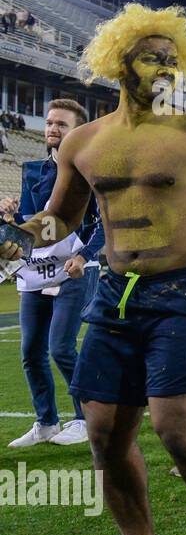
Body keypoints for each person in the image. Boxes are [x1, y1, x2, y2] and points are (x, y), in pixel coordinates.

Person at [0, 4, 186, 535]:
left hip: (185, 291)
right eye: (153, 57)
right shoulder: (84, 141)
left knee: (177, 426)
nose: (166, 68)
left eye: (173, 59)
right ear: (119, 64)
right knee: (102, 430)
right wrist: (14, 241)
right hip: (112, 295)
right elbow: (63, 220)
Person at [3, 99, 104, 448]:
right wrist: (11, 222)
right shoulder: (33, 170)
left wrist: (85, 254)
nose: (52, 129)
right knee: (31, 351)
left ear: (79, 131)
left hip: (74, 269)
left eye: (61, 124)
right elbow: (34, 229)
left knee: (60, 347)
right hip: (36, 273)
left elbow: (105, 221)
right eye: (49, 122)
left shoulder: (92, 170)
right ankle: (46, 422)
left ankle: (86, 418)